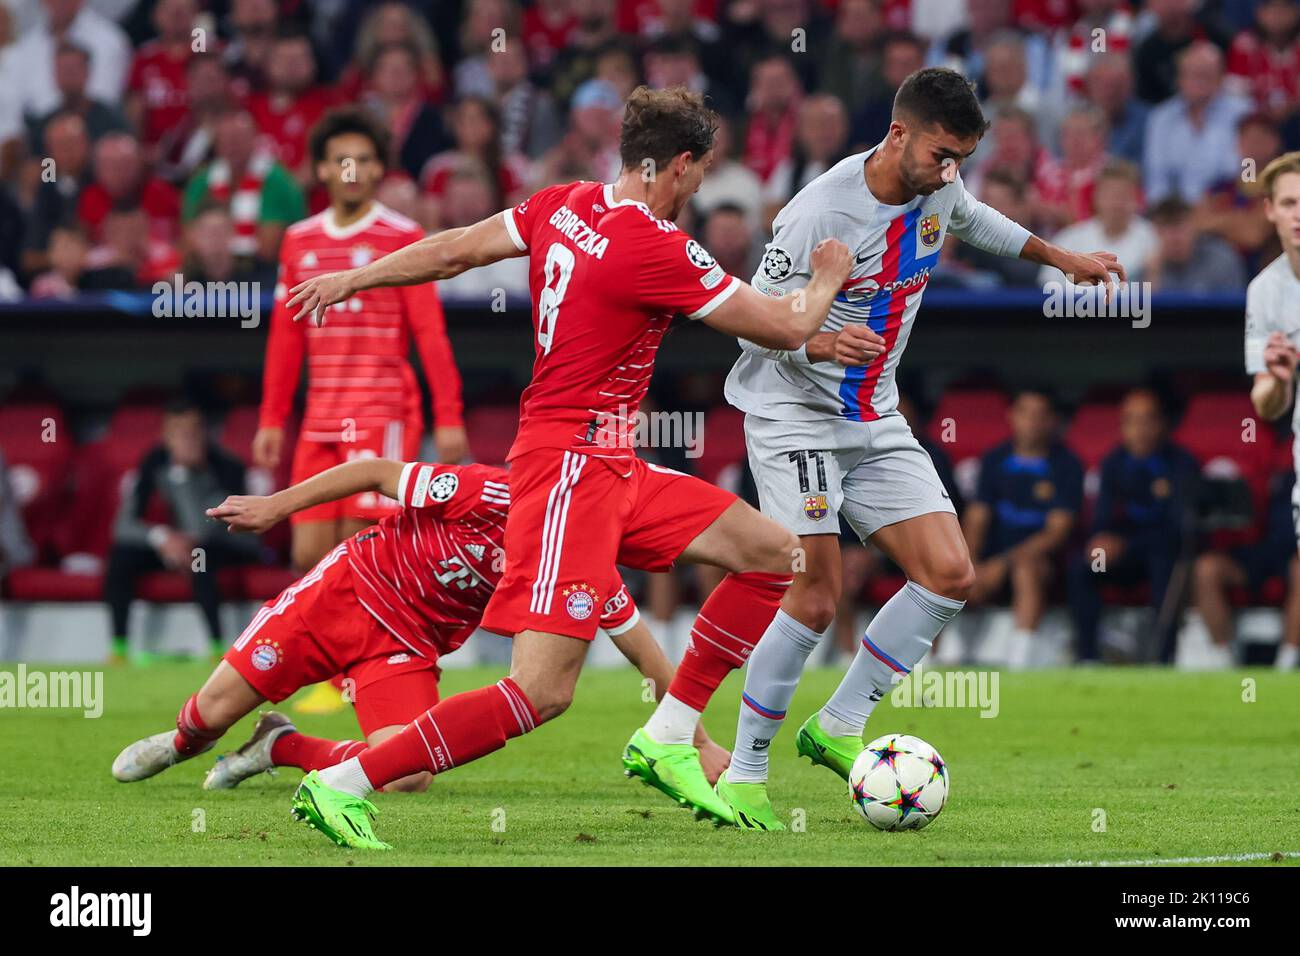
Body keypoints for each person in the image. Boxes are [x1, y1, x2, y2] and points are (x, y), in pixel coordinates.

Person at [282, 85, 854, 847]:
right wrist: (826, 277)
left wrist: (357, 277)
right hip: (568, 469)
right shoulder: (655, 244)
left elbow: (454, 249)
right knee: (541, 691)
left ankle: (670, 732)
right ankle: (343, 781)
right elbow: (786, 328)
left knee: (772, 554)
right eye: (697, 175)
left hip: (611, 461)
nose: (695, 190)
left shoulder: (560, 204)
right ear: (675, 165)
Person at [713, 67, 1121, 830]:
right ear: (898, 134)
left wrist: (1060, 257)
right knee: (816, 595)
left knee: (949, 574)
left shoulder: (940, 186)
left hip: (874, 415)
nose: (949, 171)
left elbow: (974, 219)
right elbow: (747, 320)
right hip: (792, 415)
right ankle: (744, 771)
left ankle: (836, 725)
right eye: (940, 153)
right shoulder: (818, 212)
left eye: (961, 156)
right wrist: (824, 338)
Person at [111, 457, 731, 792]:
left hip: (406, 645)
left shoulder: (581, 554)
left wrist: (698, 741)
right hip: (344, 594)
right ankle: (180, 745)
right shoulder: (489, 493)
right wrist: (277, 507)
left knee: (406, 776)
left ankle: (280, 745)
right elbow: (375, 472)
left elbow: (640, 646)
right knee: (206, 717)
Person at [254, 107, 467, 576]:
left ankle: (380, 650)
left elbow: (430, 333)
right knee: (308, 556)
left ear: (378, 169)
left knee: (362, 552)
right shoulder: (296, 241)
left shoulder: (404, 237)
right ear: (322, 169)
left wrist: (448, 416)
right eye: (341, 160)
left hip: (380, 411)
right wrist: (272, 417)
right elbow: (286, 336)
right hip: (320, 418)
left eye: (365, 160)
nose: (353, 171)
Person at [104, 400, 258, 664]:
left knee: (200, 556)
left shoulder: (226, 466)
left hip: (229, 542)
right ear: (166, 437)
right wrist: (162, 537)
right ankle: (119, 649)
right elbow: (122, 526)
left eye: (194, 431)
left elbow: (202, 528)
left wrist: (184, 475)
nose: (187, 439)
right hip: (181, 543)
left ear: (206, 433)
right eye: (179, 432)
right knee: (121, 557)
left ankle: (217, 647)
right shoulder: (154, 461)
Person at [1067, 389, 1199, 664]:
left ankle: (1163, 658)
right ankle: (1088, 657)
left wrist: (1127, 541)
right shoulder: (1114, 463)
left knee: (1164, 562)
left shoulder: (1181, 463)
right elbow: (1102, 519)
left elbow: (1181, 526)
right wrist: (1101, 541)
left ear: (1162, 423)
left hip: (1165, 553)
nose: (1139, 429)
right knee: (1085, 567)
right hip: (1121, 557)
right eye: (1131, 421)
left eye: (1147, 420)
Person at [964, 389, 1084, 669]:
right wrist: (969, 564)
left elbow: (1057, 532)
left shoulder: (1067, 464)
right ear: (1012, 417)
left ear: (1053, 421)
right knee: (946, 568)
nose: (1032, 422)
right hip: (991, 558)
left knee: (1026, 568)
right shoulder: (995, 459)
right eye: (1025, 413)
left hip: (1044, 562)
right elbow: (977, 517)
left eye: (1040, 415)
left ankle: (1020, 659)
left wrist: (1002, 564)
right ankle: (926, 659)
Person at [1243, 150, 1300, 671]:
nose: (1299, 213)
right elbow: (1266, 403)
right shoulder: (1265, 291)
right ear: (1271, 211)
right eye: (1289, 202)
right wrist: (1279, 378)